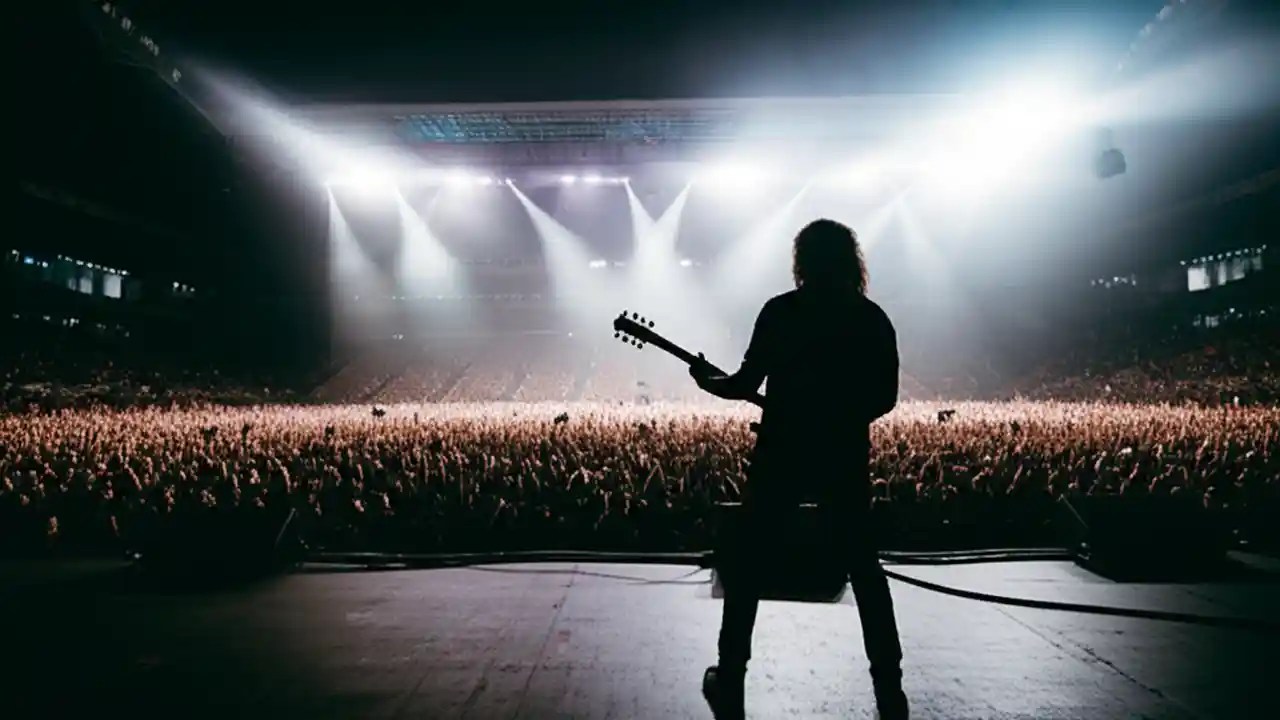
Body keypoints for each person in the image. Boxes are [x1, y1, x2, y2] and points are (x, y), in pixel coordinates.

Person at [690, 219, 908, 720]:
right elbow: (886, 396)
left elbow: (744, 382)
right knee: (864, 570)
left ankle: (731, 676)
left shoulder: (781, 312)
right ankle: (890, 687)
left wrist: (709, 381)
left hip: (781, 452)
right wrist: (842, 415)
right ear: (851, 260)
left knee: (748, 564)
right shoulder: (871, 318)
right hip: (843, 455)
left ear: (802, 261)